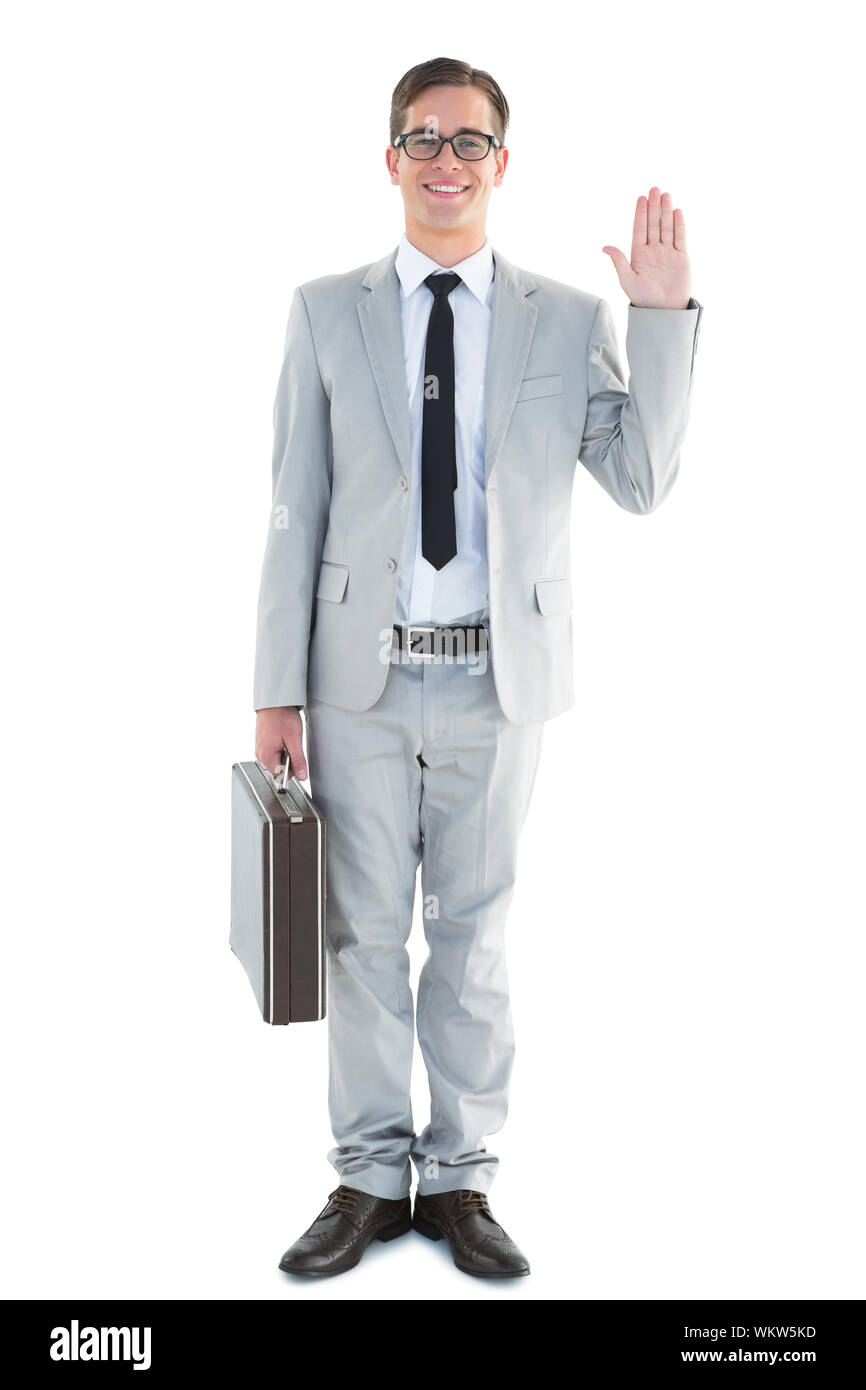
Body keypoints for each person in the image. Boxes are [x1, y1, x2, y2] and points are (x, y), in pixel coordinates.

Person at [253, 55, 704, 1280]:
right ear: (388, 160)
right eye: (421, 139)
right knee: (355, 937)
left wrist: (660, 321)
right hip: (355, 685)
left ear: (500, 164)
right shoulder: (321, 309)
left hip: (497, 689)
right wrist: (272, 690)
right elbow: (294, 508)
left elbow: (640, 482)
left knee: (473, 939)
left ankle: (457, 1179)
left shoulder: (563, 317)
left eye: (467, 142)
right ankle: (363, 1174)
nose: (443, 161)